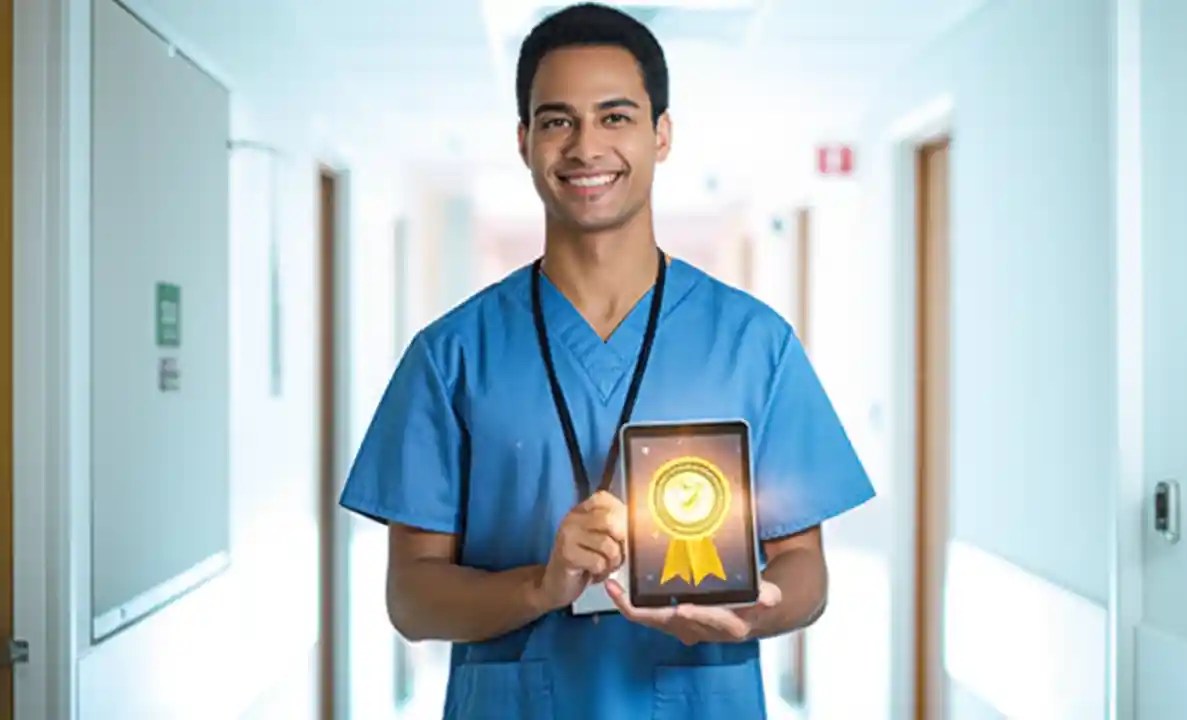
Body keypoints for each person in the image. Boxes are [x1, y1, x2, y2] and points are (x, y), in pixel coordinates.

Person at [338, 3, 875, 718]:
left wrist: (751, 615)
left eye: (616, 117)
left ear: (662, 135)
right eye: (558, 120)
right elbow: (410, 597)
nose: (586, 146)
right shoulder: (452, 355)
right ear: (526, 140)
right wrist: (542, 586)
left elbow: (805, 572)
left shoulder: (754, 343)